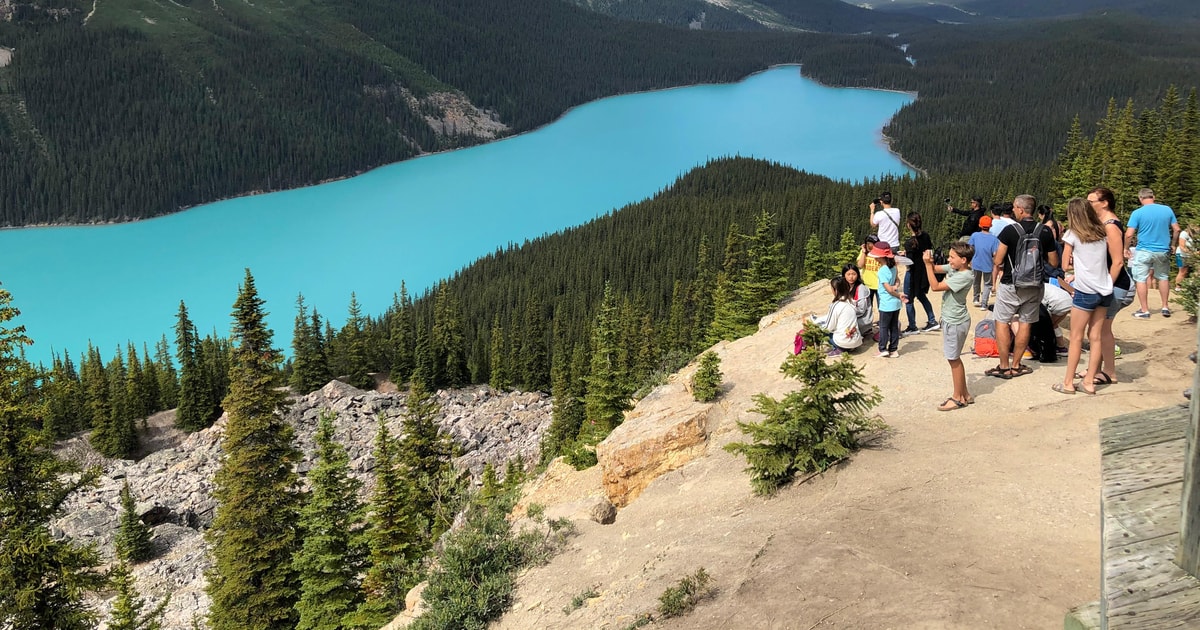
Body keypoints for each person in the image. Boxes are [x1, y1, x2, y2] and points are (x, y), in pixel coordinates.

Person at [987, 194, 1060, 380]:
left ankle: (1004, 366)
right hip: (1035, 284)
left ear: (1020, 209)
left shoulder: (1010, 231)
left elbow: (999, 259)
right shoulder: (1044, 231)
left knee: (1002, 320)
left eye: (1014, 207)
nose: (1013, 210)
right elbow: (1054, 261)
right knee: (1026, 322)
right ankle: (1017, 365)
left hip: (1011, 283)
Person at [1053, 197, 1118, 395]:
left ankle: (1068, 382)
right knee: (1095, 336)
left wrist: (1073, 266)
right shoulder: (1101, 233)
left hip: (1085, 291)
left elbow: (1063, 265)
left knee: (1076, 337)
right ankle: (1089, 381)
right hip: (1104, 290)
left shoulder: (1072, 235)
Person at [1086, 186, 1133, 385]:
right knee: (1096, 329)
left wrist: (1105, 285)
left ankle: (1109, 372)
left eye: (1091, 202)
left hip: (1114, 285)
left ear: (1104, 203)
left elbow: (1118, 261)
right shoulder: (1103, 223)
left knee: (1102, 330)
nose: (1088, 205)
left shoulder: (1111, 226)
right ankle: (1094, 370)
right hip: (1107, 284)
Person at [923, 242, 976, 411]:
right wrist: (929, 262)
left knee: (953, 359)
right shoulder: (957, 268)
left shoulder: (965, 276)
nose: (949, 259)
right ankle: (965, 394)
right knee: (955, 358)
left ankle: (957, 397)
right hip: (953, 319)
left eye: (952, 257)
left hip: (955, 322)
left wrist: (926, 265)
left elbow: (935, 286)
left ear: (963, 259)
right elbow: (937, 269)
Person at [1126, 188, 1181, 318]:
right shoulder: (1167, 210)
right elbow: (1177, 229)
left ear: (1140, 198)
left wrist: (1125, 248)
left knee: (1140, 279)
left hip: (1144, 250)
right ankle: (1165, 307)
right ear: (1153, 197)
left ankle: (1144, 310)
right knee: (1163, 277)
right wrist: (1173, 244)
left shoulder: (1137, 213)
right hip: (1162, 250)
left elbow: (1129, 234)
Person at [900, 212, 938, 335]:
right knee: (921, 296)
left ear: (908, 225)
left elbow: (910, 263)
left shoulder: (909, 242)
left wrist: (903, 256)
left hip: (913, 273)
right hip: (924, 271)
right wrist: (906, 253)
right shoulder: (925, 236)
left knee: (908, 299)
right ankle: (932, 320)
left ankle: (912, 326)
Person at [809, 277, 862, 357]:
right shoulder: (851, 301)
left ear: (835, 290)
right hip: (856, 340)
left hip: (844, 342)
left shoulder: (837, 305)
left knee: (822, 330)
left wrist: (816, 324)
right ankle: (848, 347)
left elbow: (828, 328)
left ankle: (839, 349)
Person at [869, 242, 903, 358]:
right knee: (893, 326)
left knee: (883, 327)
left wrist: (897, 294)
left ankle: (882, 348)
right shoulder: (893, 267)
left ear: (879, 257)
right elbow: (897, 281)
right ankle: (893, 349)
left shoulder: (882, 271)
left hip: (886, 303)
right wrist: (896, 287)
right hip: (895, 304)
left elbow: (888, 289)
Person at [968, 216, 999, 308]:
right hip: (988, 264)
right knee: (987, 284)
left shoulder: (974, 235)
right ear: (990, 226)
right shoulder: (994, 239)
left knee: (976, 281)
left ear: (980, 225)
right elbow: (995, 253)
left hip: (976, 262)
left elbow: (970, 248)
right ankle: (984, 303)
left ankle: (976, 298)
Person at [843, 263, 874, 335]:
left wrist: (846, 314)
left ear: (858, 275)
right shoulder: (845, 287)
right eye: (848, 274)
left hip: (862, 319)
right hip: (851, 316)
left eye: (854, 274)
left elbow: (861, 309)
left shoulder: (861, 289)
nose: (851, 277)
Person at [856, 234, 882, 308]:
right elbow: (860, 265)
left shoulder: (880, 253)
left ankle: (883, 319)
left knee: (881, 306)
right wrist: (864, 252)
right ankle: (869, 319)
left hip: (879, 284)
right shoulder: (864, 252)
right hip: (867, 284)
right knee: (867, 307)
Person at [1176, 220, 1194, 289]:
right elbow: (1181, 246)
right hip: (1181, 255)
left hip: (1191, 256)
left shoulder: (1196, 236)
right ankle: (1178, 287)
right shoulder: (1184, 233)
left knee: (1187, 271)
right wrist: (1190, 252)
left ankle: (1191, 286)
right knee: (1182, 271)